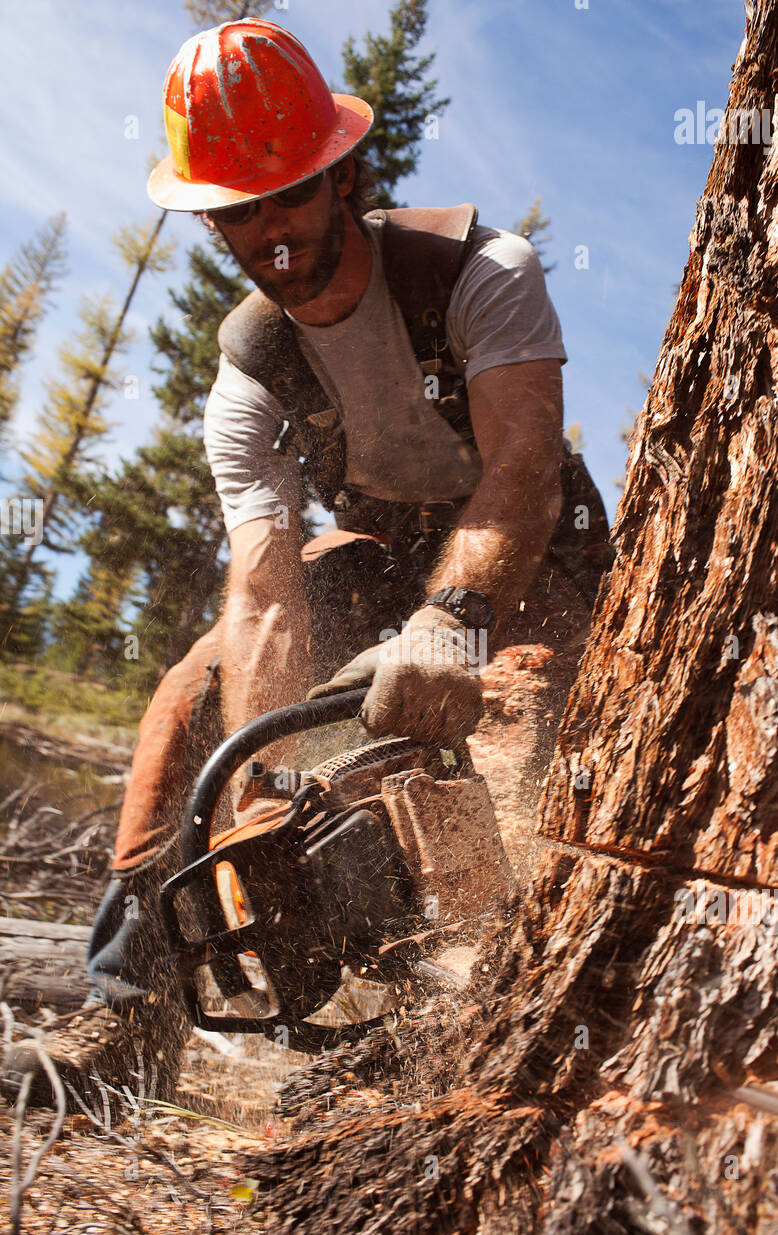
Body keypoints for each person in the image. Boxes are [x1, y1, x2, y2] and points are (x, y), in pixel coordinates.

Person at [1, 18, 612, 1107]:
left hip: (535, 558)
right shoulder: (250, 370)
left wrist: (454, 624)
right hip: (383, 550)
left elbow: (522, 467)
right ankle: (126, 1023)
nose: (267, 231)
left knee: (522, 747)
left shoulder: (478, 272)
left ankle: (501, 1036)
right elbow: (265, 593)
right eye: (238, 210)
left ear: (343, 175)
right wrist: (251, 801)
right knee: (193, 698)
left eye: (286, 196)